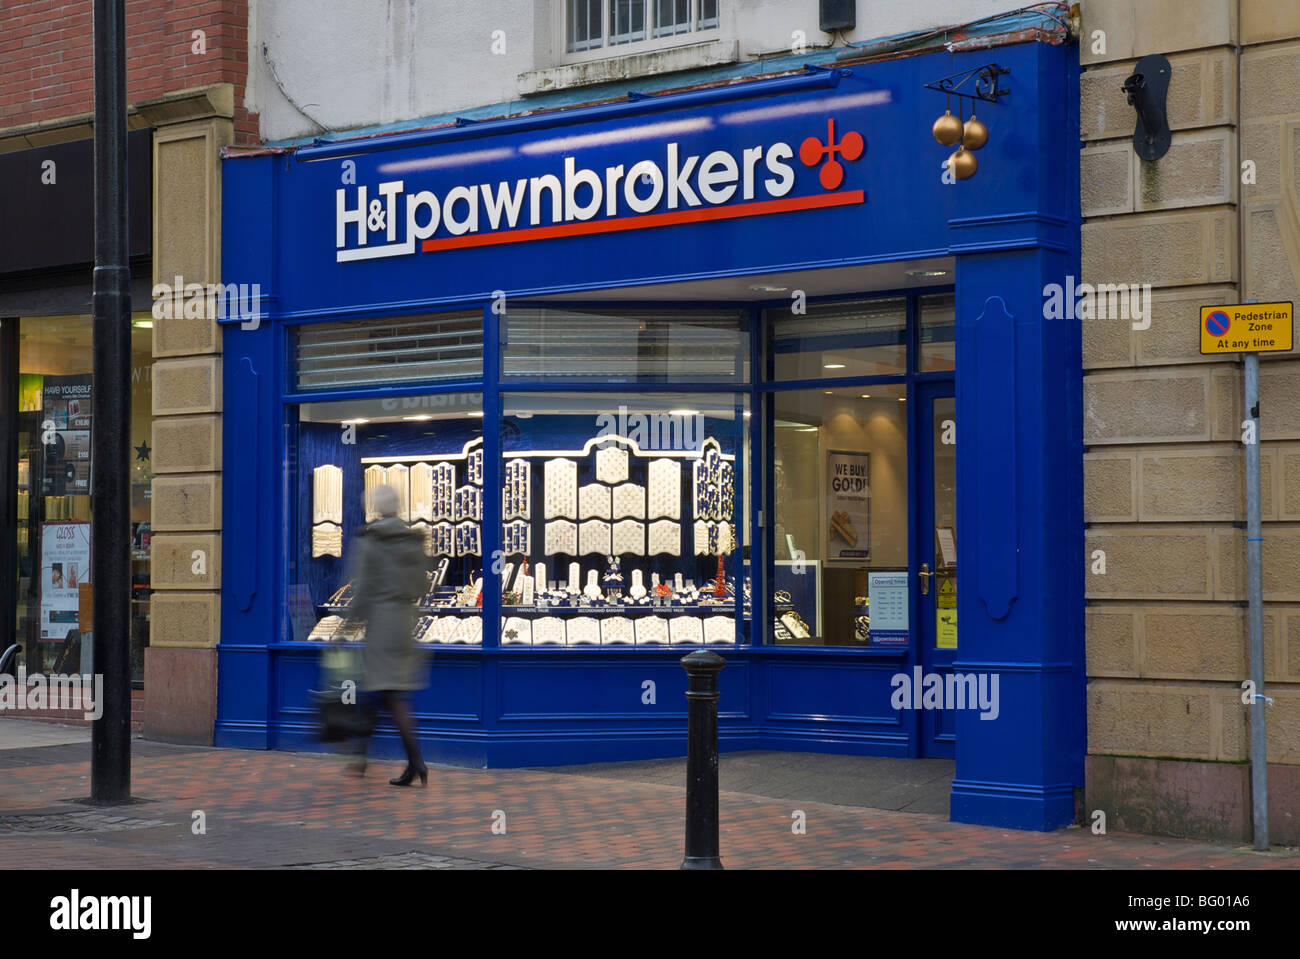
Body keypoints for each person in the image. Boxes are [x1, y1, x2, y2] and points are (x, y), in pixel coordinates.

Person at [345, 483, 431, 786]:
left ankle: (361, 759)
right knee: (391, 693)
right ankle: (409, 762)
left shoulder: (371, 540)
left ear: (378, 507)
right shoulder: (412, 539)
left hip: (381, 623)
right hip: (404, 624)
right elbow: (422, 586)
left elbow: (363, 588)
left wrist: (347, 626)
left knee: (381, 691)